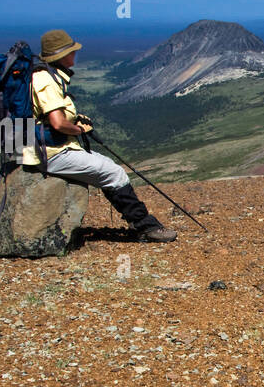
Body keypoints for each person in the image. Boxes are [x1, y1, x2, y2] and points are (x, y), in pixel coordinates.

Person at [26, 29, 177, 243]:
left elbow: (51, 116)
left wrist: (75, 119)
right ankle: (146, 227)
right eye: (71, 51)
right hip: (50, 152)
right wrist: (78, 130)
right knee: (114, 174)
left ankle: (144, 225)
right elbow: (58, 122)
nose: (75, 54)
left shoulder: (47, 75)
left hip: (50, 148)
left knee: (107, 166)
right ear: (61, 55)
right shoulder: (46, 80)